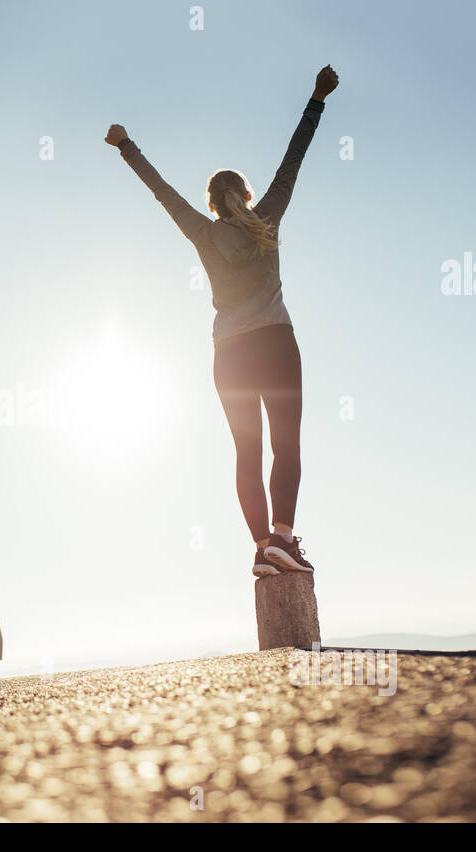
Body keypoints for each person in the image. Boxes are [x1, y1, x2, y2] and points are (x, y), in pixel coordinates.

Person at [106, 65, 339, 577]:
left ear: (210, 204)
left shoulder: (203, 232)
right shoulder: (268, 217)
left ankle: (262, 549)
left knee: (246, 453)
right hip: (275, 343)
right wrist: (317, 98)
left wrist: (126, 146)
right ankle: (283, 539)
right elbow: (293, 160)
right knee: (286, 446)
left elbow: (162, 191)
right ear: (247, 197)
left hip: (230, 354)